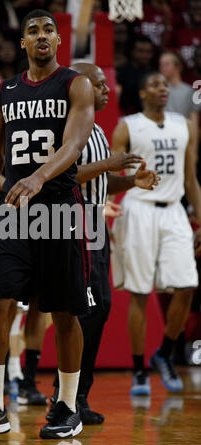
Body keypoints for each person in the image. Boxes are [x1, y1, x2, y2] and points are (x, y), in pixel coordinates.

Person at [0, 9, 95, 439]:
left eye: (49, 30)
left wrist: (39, 176)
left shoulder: (76, 83)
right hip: (13, 207)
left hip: (57, 207)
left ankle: (67, 406)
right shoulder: (6, 89)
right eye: (33, 30)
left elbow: (74, 142)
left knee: (64, 310)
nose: (42, 35)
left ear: (58, 41)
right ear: (23, 43)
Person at [25, 63, 159, 424]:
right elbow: (66, 176)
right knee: (81, 310)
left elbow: (98, 183)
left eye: (105, 85)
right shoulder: (66, 128)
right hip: (72, 223)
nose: (106, 90)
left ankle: (77, 396)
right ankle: (63, 396)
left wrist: (131, 181)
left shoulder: (96, 128)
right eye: (98, 84)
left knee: (99, 309)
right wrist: (107, 165)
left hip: (95, 222)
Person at [111, 71, 201, 395]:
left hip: (174, 209)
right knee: (139, 292)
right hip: (138, 209)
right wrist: (107, 208)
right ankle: (138, 370)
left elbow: (191, 179)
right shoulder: (127, 126)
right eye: (154, 85)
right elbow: (110, 174)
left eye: (165, 84)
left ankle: (163, 353)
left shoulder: (185, 125)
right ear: (142, 93)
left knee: (187, 286)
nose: (162, 88)